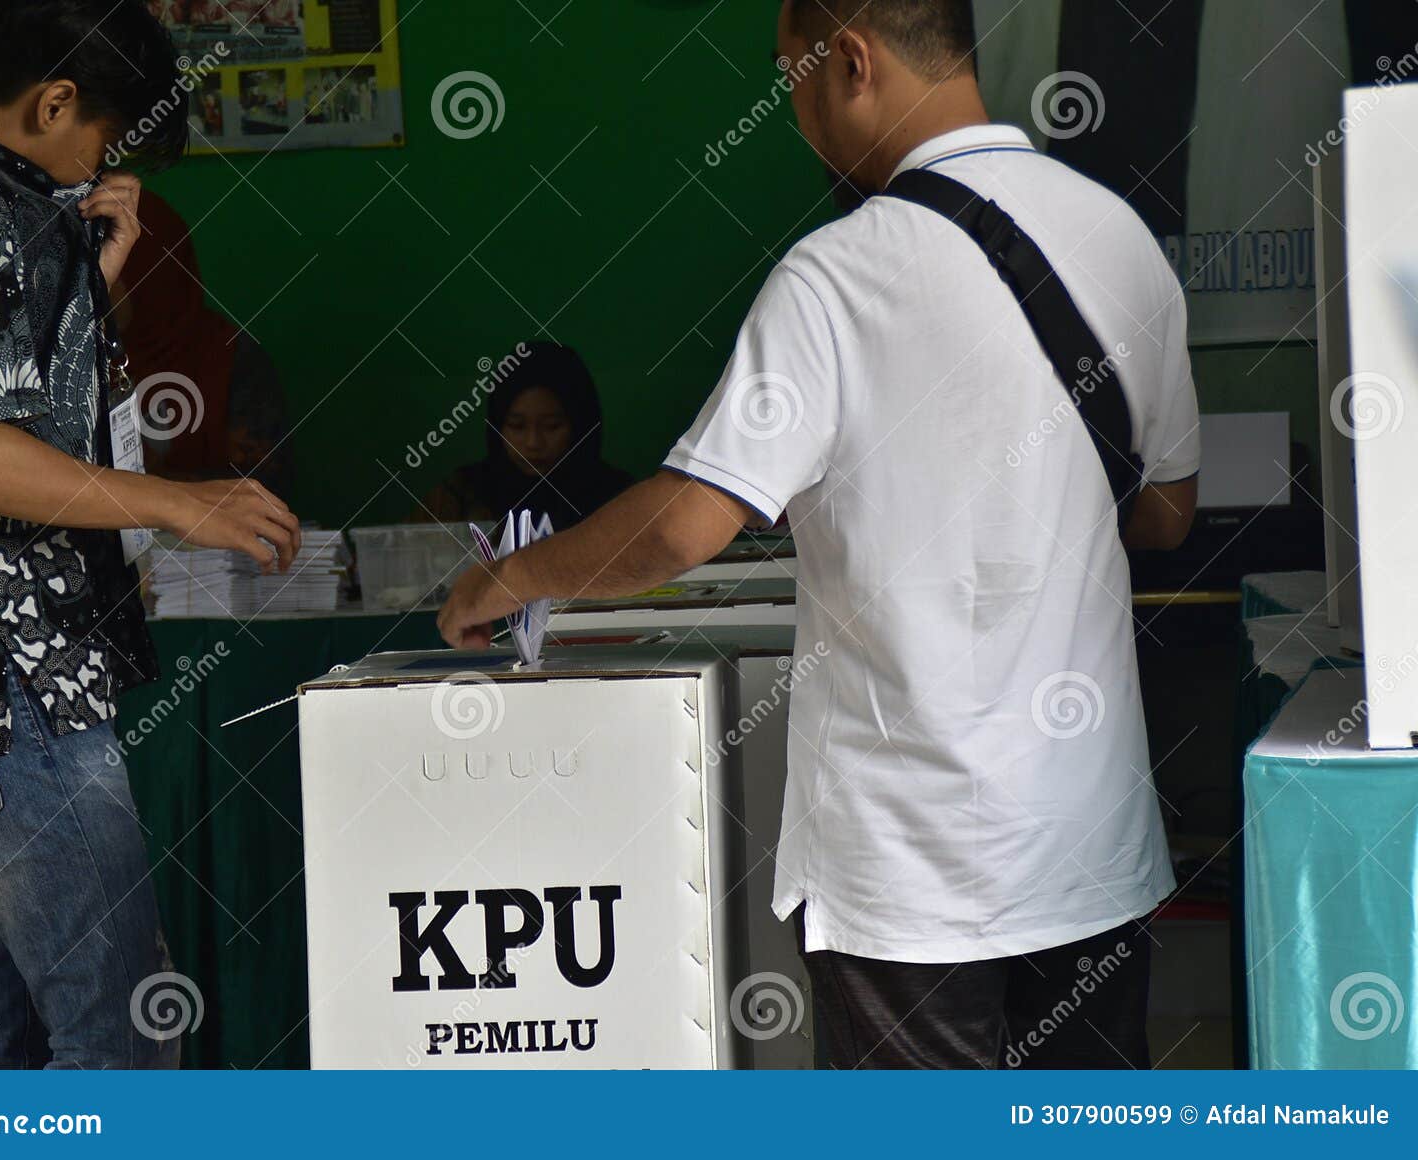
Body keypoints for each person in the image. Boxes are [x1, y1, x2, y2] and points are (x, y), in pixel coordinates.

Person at [439, 0, 1200, 1069]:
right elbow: (1166, 513)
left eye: (787, 79)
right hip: (1088, 848)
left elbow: (684, 527)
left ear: (849, 60)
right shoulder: (1118, 236)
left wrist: (507, 576)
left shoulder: (838, 272)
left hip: (910, 872)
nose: (793, 113)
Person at [0, 0, 301, 1069]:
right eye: (103, 131)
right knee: (123, 1042)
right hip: (11, 688)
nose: (105, 159)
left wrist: (91, 276)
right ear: (52, 101)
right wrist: (176, 500)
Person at [115, 189, 295, 499]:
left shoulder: (229, 358)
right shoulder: (70, 356)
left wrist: (157, 486)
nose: (93, 283)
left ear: (153, 273)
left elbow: (265, 488)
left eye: (115, 267)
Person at [411, 342, 633, 532]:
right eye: (517, 426)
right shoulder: (457, 498)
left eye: (551, 426)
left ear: (580, 425)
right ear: (497, 427)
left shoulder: (621, 501)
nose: (533, 443)